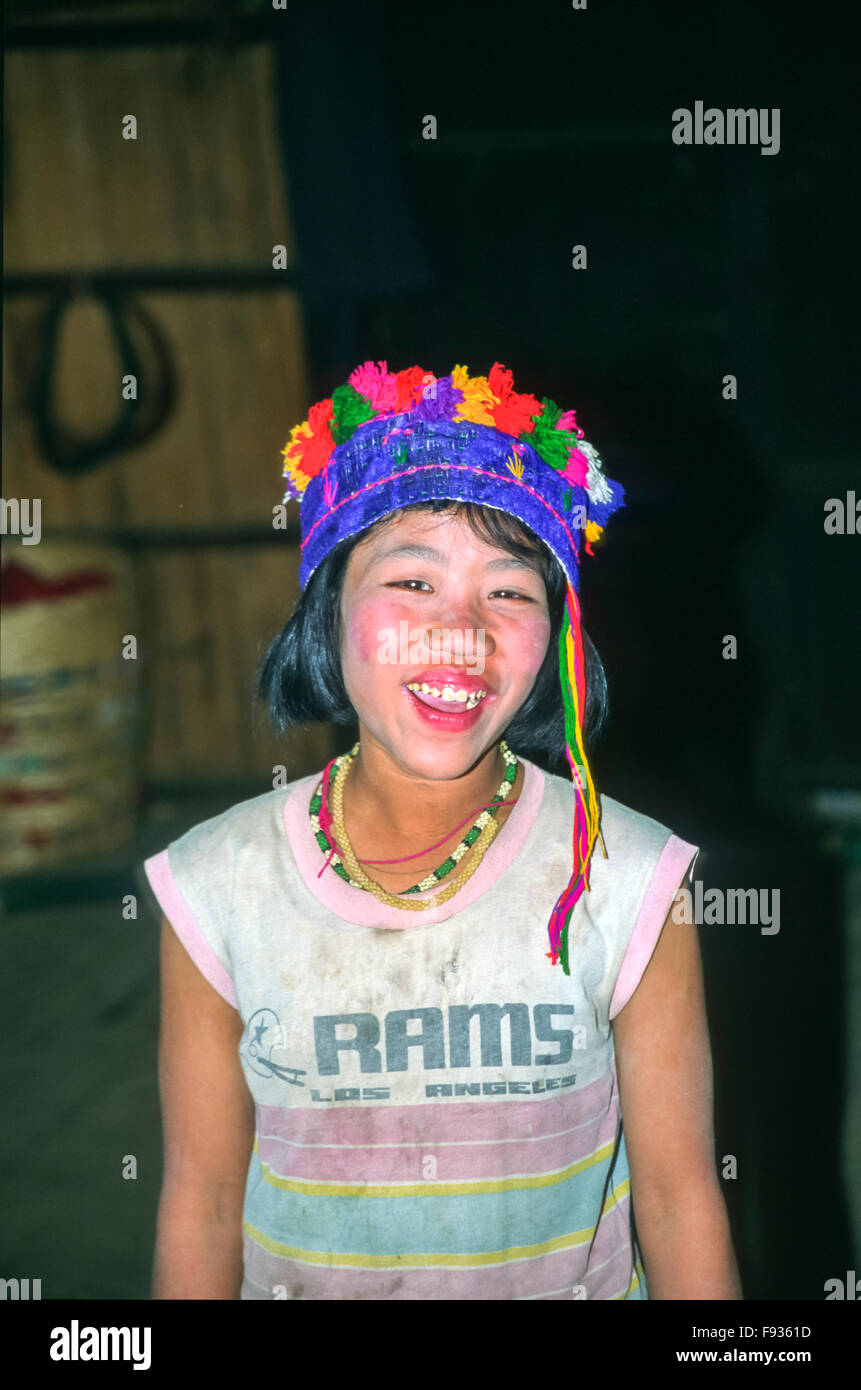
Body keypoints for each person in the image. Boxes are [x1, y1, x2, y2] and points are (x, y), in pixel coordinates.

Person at [144, 360, 742, 1300]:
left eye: (510, 593)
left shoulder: (628, 877)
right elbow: (206, 1199)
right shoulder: (217, 883)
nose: (458, 630)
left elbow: (676, 1202)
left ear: (558, 640)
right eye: (413, 580)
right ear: (325, 611)